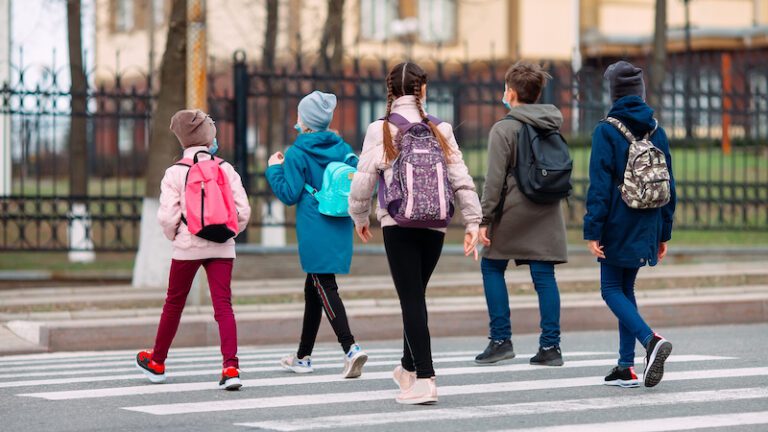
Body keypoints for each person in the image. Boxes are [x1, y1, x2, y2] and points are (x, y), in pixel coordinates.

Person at [349, 62, 482, 405]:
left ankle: (425, 378)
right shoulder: (441, 128)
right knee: (416, 296)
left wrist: (359, 216)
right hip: (436, 224)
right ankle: (408, 369)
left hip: (399, 223)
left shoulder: (380, 129)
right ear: (423, 90)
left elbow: (363, 181)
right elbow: (460, 178)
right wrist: (472, 222)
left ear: (390, 91)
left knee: (411, 299)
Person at [136, 109, 251, 390]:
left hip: (187, 245)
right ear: (209, 136)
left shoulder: (174, 172)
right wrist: (229, 233)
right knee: (223, 305)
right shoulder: (225, 168)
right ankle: (231, 368)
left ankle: (157, 361)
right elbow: (243, 210)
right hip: (222, 246)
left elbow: (167, 216)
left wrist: (176, 235)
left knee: (174, 303)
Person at [584, 61, 677, 388]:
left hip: (617, 222)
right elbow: (670, 184)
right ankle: (625, 367)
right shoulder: (657, 130)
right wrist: (664, 232)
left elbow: (599, 187)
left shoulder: (606, 130)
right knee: (625, 289)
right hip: (648, 221)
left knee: (610, 289)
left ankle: (650, 340)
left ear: (613, 94)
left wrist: (593, 229)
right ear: (640, 93)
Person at [266, 90, 368, 379]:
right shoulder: (342, 147)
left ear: (305, 121)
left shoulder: (297, 153)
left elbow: (289, 194)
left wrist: (274, 169)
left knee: (324, 284)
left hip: (314, 225)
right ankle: (302, 357)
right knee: (314, 290)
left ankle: (350, 348)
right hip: (339, 221)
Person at [475, 62, 567, 367]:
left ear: (511, 93)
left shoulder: (504, 129)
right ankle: (551, 346)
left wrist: (484, 219)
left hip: (514, 211)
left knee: (491, 266)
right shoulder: (551, 124)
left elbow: (494, 181)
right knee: (544, 276)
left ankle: (501, 340)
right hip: (548, 210)